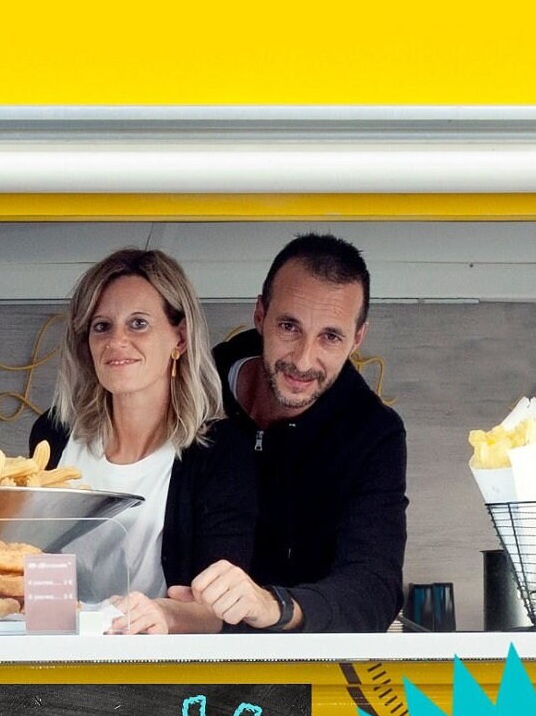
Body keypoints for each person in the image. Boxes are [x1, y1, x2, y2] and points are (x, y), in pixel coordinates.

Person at [30, 249, 256, 635]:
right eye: (102, 326)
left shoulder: (221, 451)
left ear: (180, 338)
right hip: (56, 659)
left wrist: (163, 614)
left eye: (138, 323)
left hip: (161, 674)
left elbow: (219, 610)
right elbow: (30, 564)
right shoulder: (54, 434)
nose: (117, 340)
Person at [191, 232, 407, 633]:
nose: (304, 360)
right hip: (169, 655)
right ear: (260, 314)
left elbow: (375, 586)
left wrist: (276, 607)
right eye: (289, 326)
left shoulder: (373, 433)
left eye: (330, 336)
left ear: (357, 338)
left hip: (304, 670)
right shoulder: (189, 390)